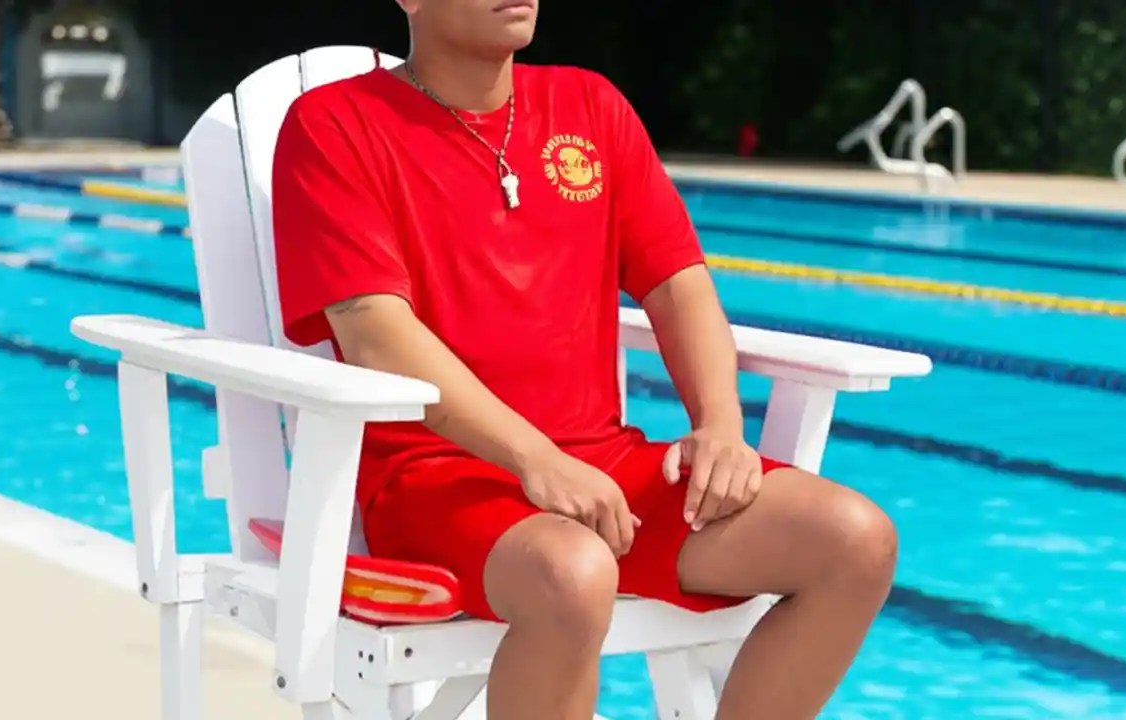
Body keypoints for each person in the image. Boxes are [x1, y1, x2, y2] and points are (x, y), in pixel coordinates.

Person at [271, 1, 898, 717]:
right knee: (571, 574)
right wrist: (536, 459)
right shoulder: (334, 124)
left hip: (603, 468)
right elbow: (375, 333)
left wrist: (721, 425)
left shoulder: (588, 106)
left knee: (852, 543)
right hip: (436, 477)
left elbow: (678, 284)